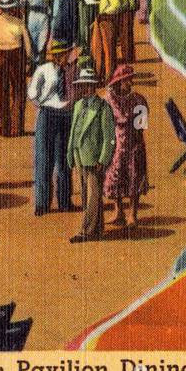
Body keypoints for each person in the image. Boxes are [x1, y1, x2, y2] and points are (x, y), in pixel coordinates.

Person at [67, 66, 116, 243]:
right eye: (83, 85)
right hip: (80, 156)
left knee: (92, 196)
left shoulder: (103, 108)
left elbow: (109, 136)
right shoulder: (79, 105)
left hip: (94, 158)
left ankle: (85, 231)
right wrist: (71, 153)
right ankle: (98, 228)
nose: (85, 89)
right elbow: (74, 130)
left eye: (89, 85)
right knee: (86, 196)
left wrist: (103, 159)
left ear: (94, 86)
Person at [29, 41, 75, 215]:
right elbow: (32, 92)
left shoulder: (72, 70)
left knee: (64, 160)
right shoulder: (43, 70)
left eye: (67, 53)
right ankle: (42, 203)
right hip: (48, 115)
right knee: (43, 160)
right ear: (56, 56)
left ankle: (64, 201)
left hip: (65, 115)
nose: (66, 57)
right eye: (63, 54)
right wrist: (43, 103)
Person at [102, 64, 148, 230]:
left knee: (134, 178)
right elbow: (105, 123)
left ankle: (132, 214)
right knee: (115, 178)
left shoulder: (138, 99)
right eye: (126, 80)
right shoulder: (108, 100)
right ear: (118, 82)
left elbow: (142, 125)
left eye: (130, 79)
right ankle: (118, 211)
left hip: (134, 145)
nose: (130, 83)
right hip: (116, 146)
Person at [0, 0, 31, 138]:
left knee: (0, 92)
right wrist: (28, 59)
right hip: (17, 55)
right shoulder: (19, 22)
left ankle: (4, 128)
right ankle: (17, 128)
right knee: (18, 91)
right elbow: (28, 47)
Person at [90, 0, 121, 81]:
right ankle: (102, 74)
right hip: (102, 20)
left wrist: (105, 14)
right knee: (100, 48)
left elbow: (116, 5)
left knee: (109, 50)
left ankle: (109, 76)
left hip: (107, 21)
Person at [21, 0, 53, 66]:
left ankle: (33, 62)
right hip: (43, 16)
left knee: (32, 37)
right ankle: (40, 62)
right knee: (42, 37)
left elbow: (22, 3)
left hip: (32, 15)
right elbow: (50, 5)